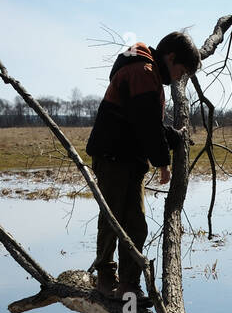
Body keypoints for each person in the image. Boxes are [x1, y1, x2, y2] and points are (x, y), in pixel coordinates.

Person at [85, 31, 201, 298]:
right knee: (113, 218)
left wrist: (174, 136)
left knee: (136, 224)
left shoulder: (149, 75)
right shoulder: (143, 72)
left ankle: (128, 284)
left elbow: (147, 123)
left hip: (130, 159)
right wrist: (163, 163)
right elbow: (147, 128)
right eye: (181, 70)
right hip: (112, 156)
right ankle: (105, 279)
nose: (179, 78)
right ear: (170, 58)